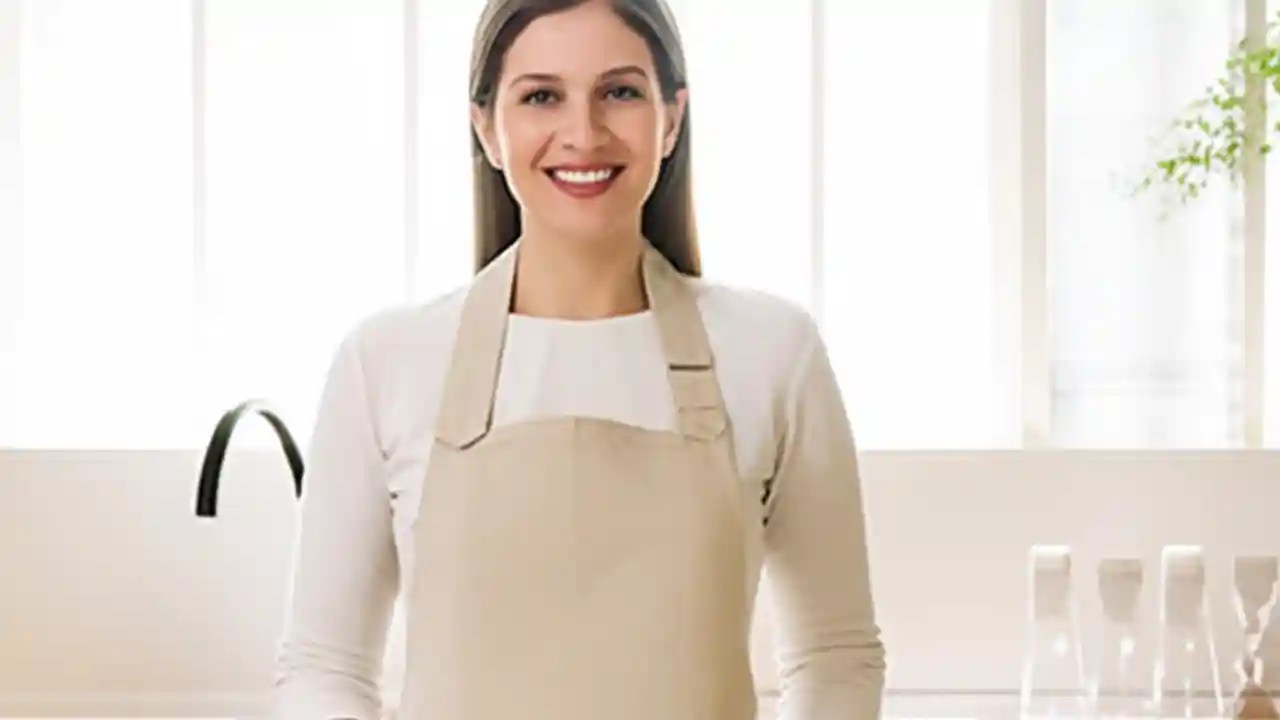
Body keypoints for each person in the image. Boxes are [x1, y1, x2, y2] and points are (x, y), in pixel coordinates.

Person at [270, 0, 886, 717]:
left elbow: (836, 655)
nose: (583, 133)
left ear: (672, 117)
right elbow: (325, 665)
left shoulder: (772, 352)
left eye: (619, 92)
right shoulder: (386, 362)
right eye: (541, 97)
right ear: (486, 129)